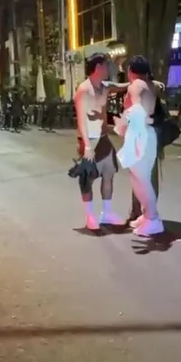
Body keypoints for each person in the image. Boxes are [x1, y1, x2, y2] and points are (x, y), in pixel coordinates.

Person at [74, 54, 125, 230]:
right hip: (89, 140)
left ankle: (107, 213)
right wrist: (87, 145)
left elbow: (122, 86)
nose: (108, 69)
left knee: (109, 173)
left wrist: (145, 82)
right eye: (106, 66)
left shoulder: (105, 87)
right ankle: (89, 216)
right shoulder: (83, 90)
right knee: (87, 178)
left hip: (103, 138)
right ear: (98, 67)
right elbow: (81, 120)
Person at [116, 56, 162, 236]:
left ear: (130, 71)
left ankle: (153, 218)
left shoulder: (135, 85)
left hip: (139, 133)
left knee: (141, 179)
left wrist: (122, 124)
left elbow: (136, 109)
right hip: (146, 133)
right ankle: (147, 214)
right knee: (140, 178)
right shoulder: (150, 84)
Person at [128, 75, 166, 227]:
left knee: (143, 177)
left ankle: (148, 214)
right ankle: (145, 213)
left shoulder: (146, 88)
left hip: (146, 136)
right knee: (143, 177)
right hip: (148, 136)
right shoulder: (152, 87)